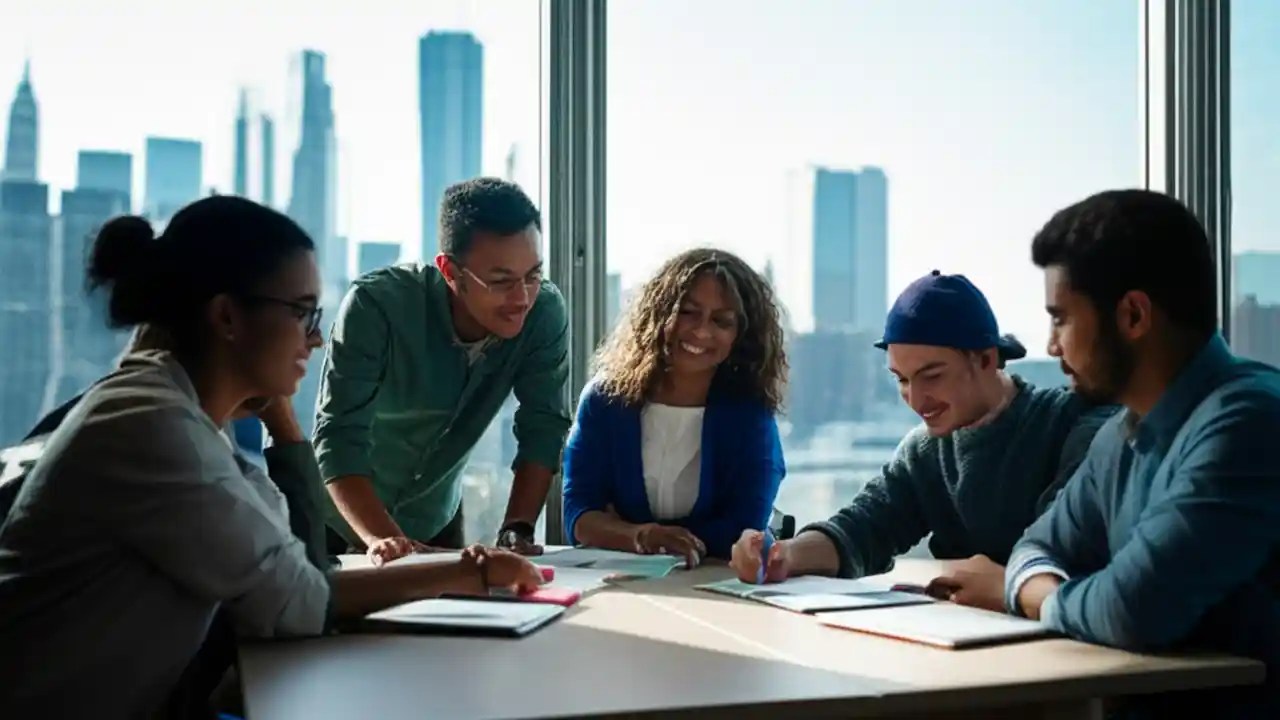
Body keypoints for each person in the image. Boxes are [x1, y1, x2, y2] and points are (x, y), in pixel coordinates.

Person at [0, 197, 542, 719]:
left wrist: (282, 424)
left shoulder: (180, 417)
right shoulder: (153, 431)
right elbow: (302, 603)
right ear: (227, 317)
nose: (315, 340)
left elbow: (302, 570)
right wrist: (471, 570)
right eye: (302, 313)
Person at [1006, 190, 1280, 717]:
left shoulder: (1247, 423)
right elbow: (1035, 547)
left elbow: (1134, 608)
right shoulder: (1120, 434)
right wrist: (1037, 585)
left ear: (1133, 315)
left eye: (1061, 319)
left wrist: (1039, 599)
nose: (1051, 346)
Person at [730, 270, 1116, 611]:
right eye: (900, 379)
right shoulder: (925, 451)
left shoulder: (1077, 426)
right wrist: (786, 555)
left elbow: (1063, 552)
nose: (915, 399)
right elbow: (864, 527)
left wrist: (1002, 583)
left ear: (985, 359)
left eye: (931, 375)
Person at [315, 178, 570, 563]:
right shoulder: (375, 307)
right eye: (501, 281)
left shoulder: (544, 312)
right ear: (450, 271)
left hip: (435, 520)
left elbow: (544, 426)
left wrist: (516, 529)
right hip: (338, 522)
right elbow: (338, 437)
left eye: (533, 275)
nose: (522, 298)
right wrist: (387, 543)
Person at [562, 249, 788, 565]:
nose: (701, 331)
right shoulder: (605, 401)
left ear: (741, 336)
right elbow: (578, 516)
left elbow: (743, 526)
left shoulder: (750, 416)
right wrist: (641, 536)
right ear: (659, 313)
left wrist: (621, 530)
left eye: (722, 321)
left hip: (718, 584)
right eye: (688, 312)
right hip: (620, 585)